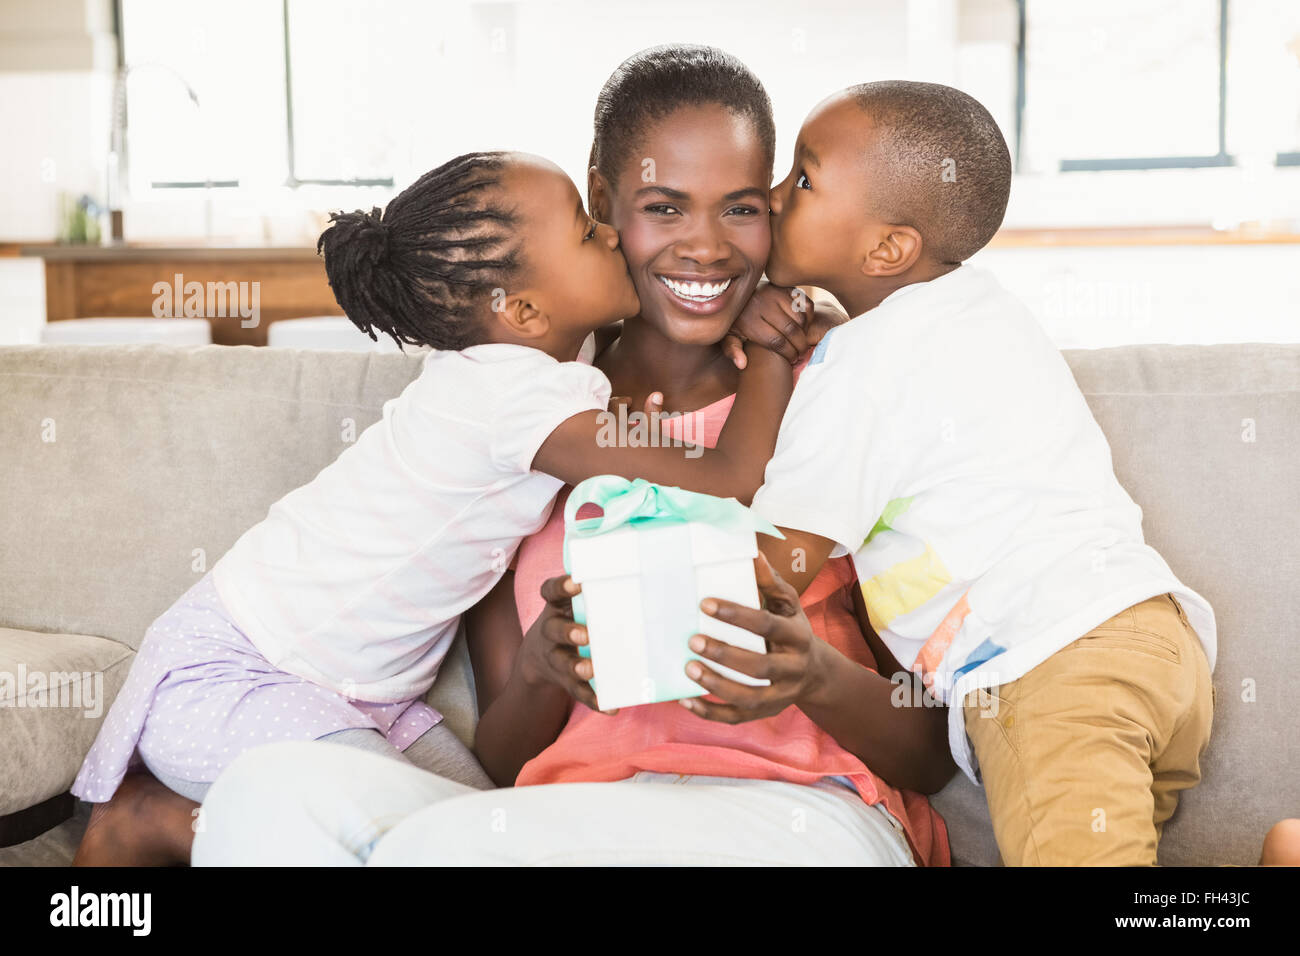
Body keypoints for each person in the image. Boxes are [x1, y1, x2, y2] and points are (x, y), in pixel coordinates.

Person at [190, 45, 953, 867]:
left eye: (739, 208)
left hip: (799, 810)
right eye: (664, 207)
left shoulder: (832, 389)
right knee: (266, 793)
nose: (706, 248)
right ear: (601, 202)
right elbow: (501, 765)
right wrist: (540, 671)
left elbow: (934, 753)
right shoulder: (526, 430)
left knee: (444, 850)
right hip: (563, 819)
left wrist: (814, 675)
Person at [69, 147, 794, 866]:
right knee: (416, 845)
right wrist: (772, 346)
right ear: (524, 310)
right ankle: (152, 822)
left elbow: (619, 347)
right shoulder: (514, 398)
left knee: (481, 829)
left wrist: (723, 308)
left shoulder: (534, 358)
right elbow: (730, 476)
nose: (612, 235)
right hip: (244, 675)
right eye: (586, 229)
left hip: (360, 695)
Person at [747, 80, 1216, 866]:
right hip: (1154, 643)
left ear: (888, 249)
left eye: (801, 178)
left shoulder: (859, 367)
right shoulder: (981, 309)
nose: (769, 197)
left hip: (1052, 668)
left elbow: (782, 558)